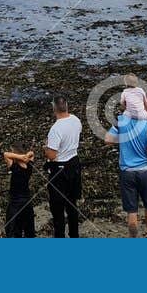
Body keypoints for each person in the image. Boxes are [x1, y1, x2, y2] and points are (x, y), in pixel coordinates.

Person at [106, 94, 147, 236]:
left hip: (127, 172)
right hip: (144, 172)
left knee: (131, 213)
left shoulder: (120, 121)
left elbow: (108, 140)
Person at [43, 95, 82, 238]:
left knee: (57, 208)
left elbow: (52, 155)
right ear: (66, 106)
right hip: (74, 163)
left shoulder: (56, 129)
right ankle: (74, 235)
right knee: (72, 204)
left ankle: (60, 237)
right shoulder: (76, 120)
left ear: (54, 108)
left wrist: (45, 148)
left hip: (60, 168)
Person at [2, 150, 36, 237]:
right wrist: (25, 156)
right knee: (29, 230)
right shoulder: (29, 166)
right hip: (27, 201)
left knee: (14, 229)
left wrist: (20, 157)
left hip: (15, 203)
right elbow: (32, 153)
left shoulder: (15, 167)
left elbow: (6, 154)